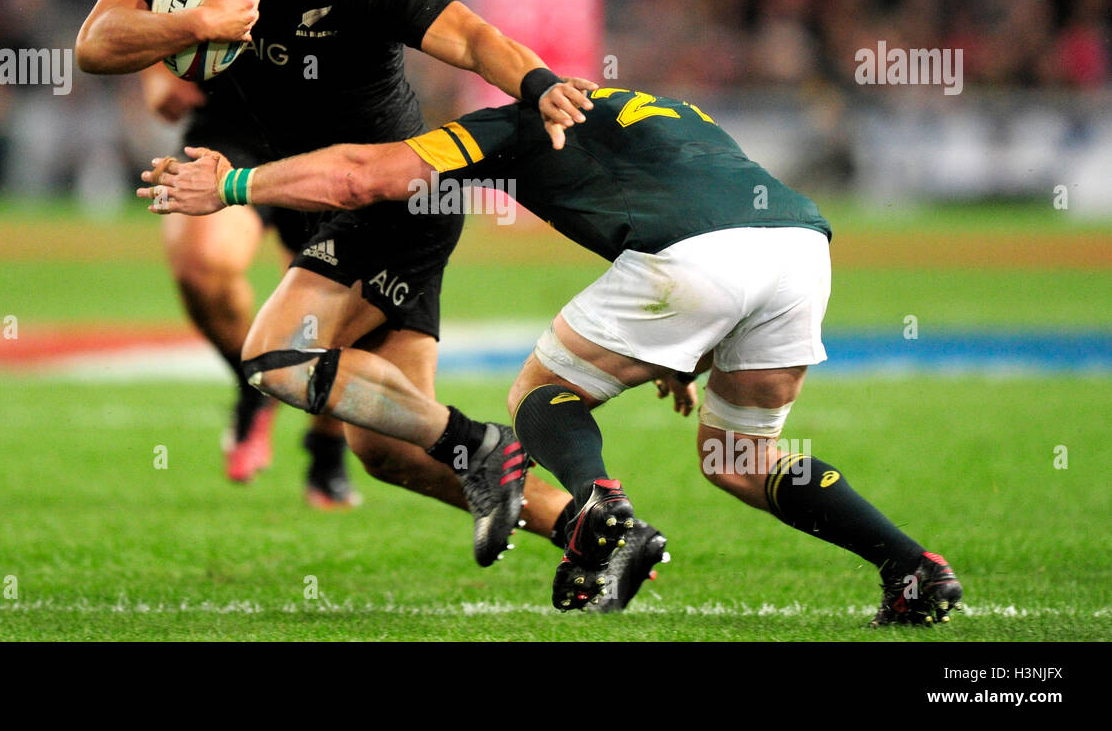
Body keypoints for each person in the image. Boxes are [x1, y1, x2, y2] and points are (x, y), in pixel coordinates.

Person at [78, 0, 665, 605]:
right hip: (342, 205)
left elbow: (465, 34)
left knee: (274, 359)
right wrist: (198, 21)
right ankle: (597, 534)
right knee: (385, 445)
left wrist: (536, 82)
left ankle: (484, 447)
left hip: (397, 203)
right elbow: (95, 43)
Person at [139, 84, 963, 625]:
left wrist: (238, 186)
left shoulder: (509, 123)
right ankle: (911, 567)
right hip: (798, 248)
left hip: (696, 257)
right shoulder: (662, 107)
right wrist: (690, 340)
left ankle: (602, 511)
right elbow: (689, 201)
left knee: (540, 397)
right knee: (741, 459)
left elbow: (370, 174)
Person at [118, 0, 414, 501]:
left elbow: (402, 11)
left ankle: (322, 445)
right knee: (199, 262)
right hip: (235, 115)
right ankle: (253, 381)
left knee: (343, 297)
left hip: (331, 127)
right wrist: (158, 69)